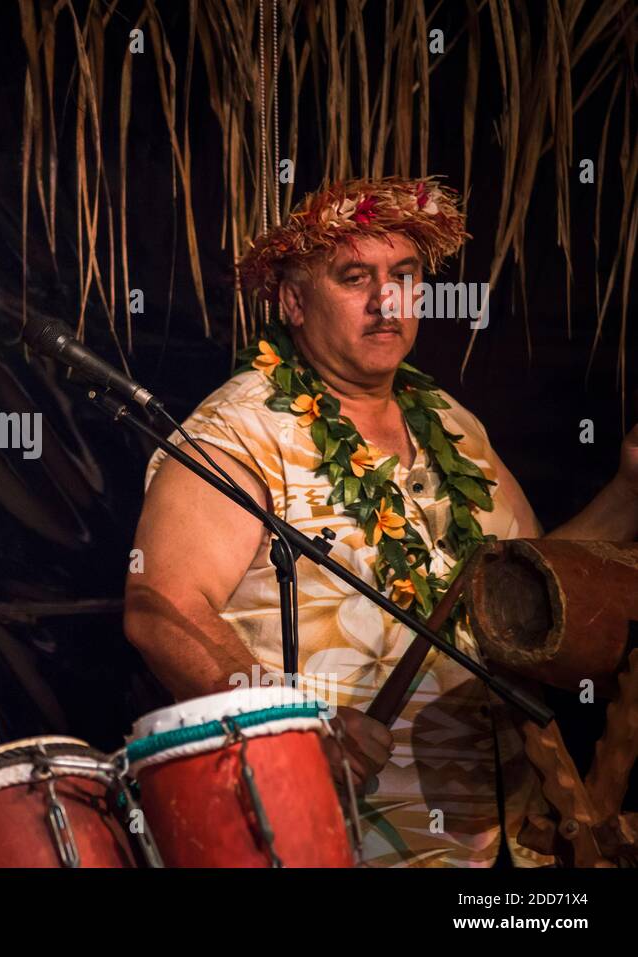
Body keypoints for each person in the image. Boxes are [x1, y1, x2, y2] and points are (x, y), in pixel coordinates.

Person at [126, 176, 638, 867]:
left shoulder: (453, 425)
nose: (385, 299)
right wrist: (293, 730)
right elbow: (161, 609)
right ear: (294, 300)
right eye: (353, 277)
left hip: (496, 841)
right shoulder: (237, 433)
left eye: (403, 274)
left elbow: (530, 590)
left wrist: (630, 487)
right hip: (332, 834)